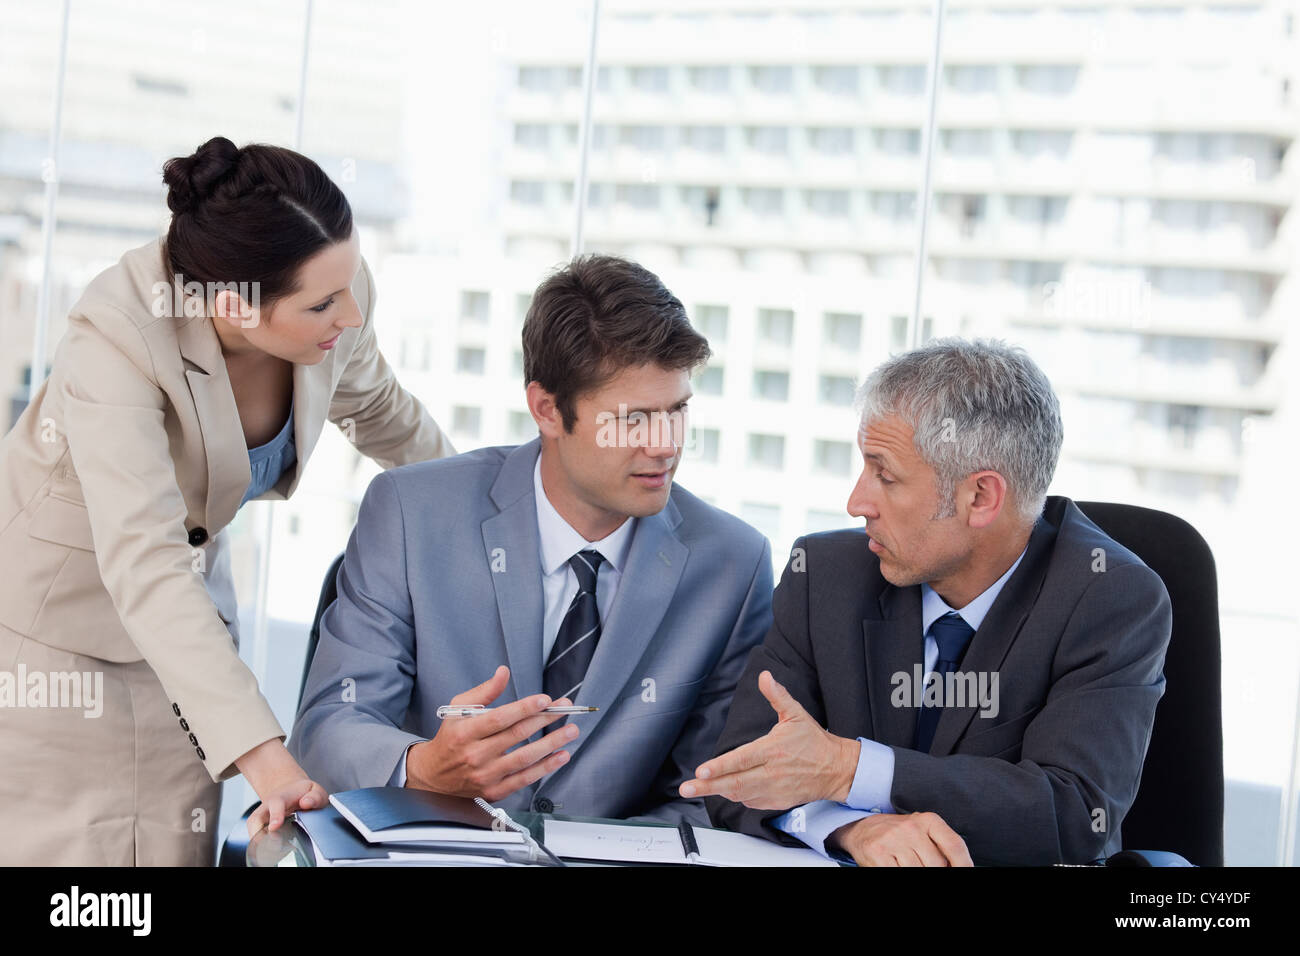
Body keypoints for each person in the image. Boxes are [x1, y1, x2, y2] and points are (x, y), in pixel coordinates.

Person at [0, 136, 454, 865]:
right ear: (236, 306)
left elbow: (382, 414)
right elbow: (144, 561)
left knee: (174, 850)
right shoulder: (116, 339)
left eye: (349, 283)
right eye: (323, 303)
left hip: (188, 633)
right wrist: (266, 756)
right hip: (62, 641)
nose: (351, 314)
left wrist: (489, 513)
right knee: (84, 883)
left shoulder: (334, 294)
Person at [289, 254, 773, 825]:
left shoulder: (734, 566)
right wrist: (422, 768)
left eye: (677, 412)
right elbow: (327, 729)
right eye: (634, 419)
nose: (666, 445)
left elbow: (712, 793)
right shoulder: (410, 513)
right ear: (547, 409)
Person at [682, 338, 1172, 866]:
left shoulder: (1110, 597)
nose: (855, 503)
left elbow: (1074, 813)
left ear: (981, 497)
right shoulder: (824, 574)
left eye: (885, 475)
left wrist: (849, 769)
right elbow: (733, 775)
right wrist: (850, 828)